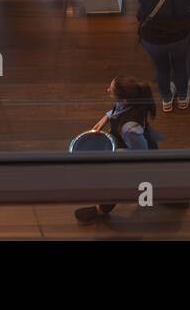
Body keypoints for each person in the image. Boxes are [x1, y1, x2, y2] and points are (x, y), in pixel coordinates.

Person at [74, 77, 173, 225]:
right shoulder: (133, 99)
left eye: (111, 90)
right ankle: (174, 197)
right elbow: (118, 108)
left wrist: (117, 155)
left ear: (125, 99)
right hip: (131, 144)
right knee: (153, 178)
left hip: (136, 153)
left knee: (119, 184)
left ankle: (102, 209)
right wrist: (106, 117)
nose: (107, 90)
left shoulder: (130, 129)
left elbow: (142, 154)